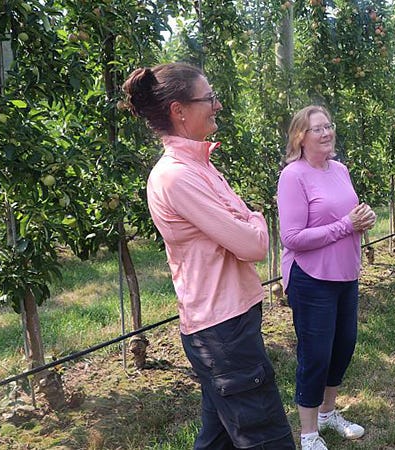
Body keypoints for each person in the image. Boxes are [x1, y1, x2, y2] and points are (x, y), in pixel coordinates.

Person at [122, 62, 295, 449]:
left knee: (218, 437)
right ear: (178, 110)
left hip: (229, 320)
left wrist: (247, 222)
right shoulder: (177, 176)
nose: (217, 105)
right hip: (222, 330)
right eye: (209, 98)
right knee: (266, 436)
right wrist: (256, 216)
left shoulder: (200, 166)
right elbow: (254, 244)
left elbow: (245, 235)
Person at [277, 105, 376, 450]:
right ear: (300, 137)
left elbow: (349, 213)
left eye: (329, 126)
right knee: (315, 354)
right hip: (311, 278)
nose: (326, 133)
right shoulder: (294, 176)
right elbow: (292, 238)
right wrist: (346, 226)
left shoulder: (340, 170)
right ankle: (307, 434)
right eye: (317, 128)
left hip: (345, 274)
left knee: (343, 348)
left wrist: (365, 217)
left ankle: (328, 413)